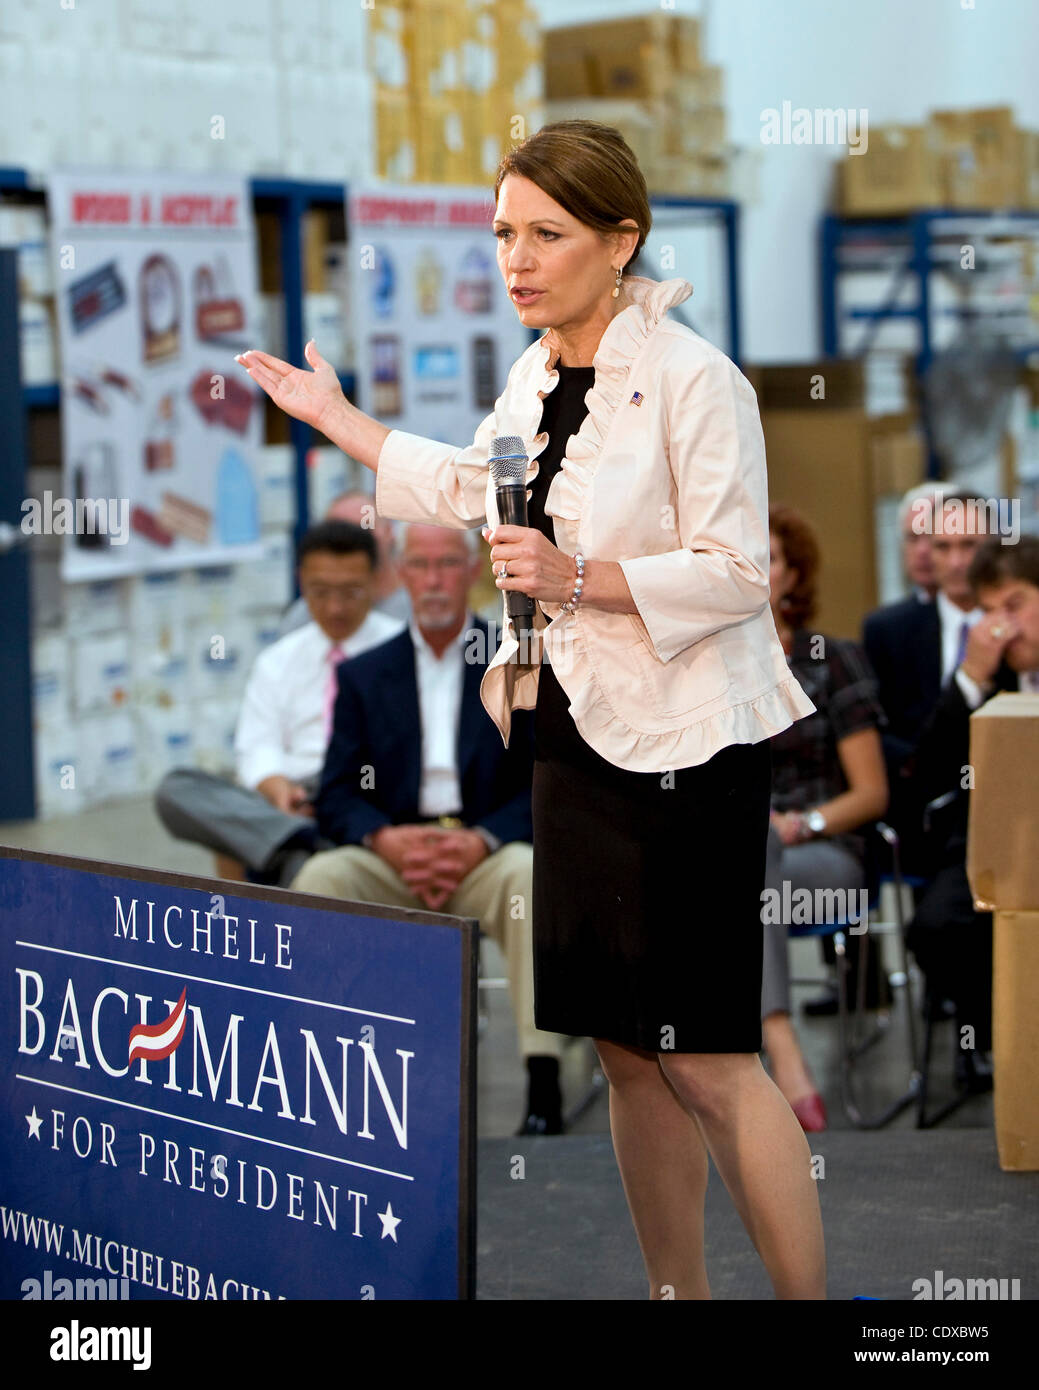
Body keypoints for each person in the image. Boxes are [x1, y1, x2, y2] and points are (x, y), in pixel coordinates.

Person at [238, 119, 825, 1300]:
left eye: (546, 234)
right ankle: (679, 1297)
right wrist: (337, 419)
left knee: (708, 1057)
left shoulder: (697, 381)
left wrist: (577, 580)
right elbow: (472, 483)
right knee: (624, 1053)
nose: (515, 257)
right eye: (504, 232)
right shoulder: (537, 373)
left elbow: (734, 572)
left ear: (622, 242)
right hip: (572, 737)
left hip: (691, 750)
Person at [292, 522, 568, 1135]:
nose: (435, 579)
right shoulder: (366, 673)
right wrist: (383, 839)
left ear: (474, 572)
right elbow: (336, 792)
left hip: (485, 849)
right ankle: (325, 1075)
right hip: (396, 852)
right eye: (421, 565)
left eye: (448, 563)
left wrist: (479, 841)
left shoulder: (516, 656)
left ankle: (542, 1080)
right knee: (319, 877)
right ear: (400, 575)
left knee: (526, 880)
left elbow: (544, 782)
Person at [155, 521, 404, 884]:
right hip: (291, 793)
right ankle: (304, 841)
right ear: (301, 581)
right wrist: (278, 789)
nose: (335, 608)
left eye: (350, 592)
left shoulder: (399, 651)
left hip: (365, 792)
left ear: (375, 580)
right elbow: (257, 746)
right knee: (175, 790)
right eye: (320, 592)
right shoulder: (279, 659)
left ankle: (298, 845)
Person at [761, 506, 889, 1126]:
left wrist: (802, 824)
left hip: (826, 852)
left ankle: (774, 1052)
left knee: (741, 872)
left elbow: (871, 794)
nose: (757, 570)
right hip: (751, 863)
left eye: (772, 559)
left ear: (795, 574)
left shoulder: (833, 660)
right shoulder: (710, 670)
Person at [905, 535, 1039, 1085]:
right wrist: (969, 680)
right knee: (937, 926)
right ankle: (999, 1038)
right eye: (987, 612)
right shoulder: (990, 678)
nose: (1000, 627)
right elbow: (928, 773)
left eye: (1014, 606)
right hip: (996, 847)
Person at [862, 488, 991, 876]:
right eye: (942, 547)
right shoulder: (888, 629)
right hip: (922, 809)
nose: (956, 562)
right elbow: (878, 732)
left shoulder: (1020, 626)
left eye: (969, 546)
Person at [277, 489, 410, 635]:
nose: (353, 542)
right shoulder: (303, 618)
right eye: (338, 535)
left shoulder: (418, 607)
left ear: (389, 530)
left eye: (366, 527)